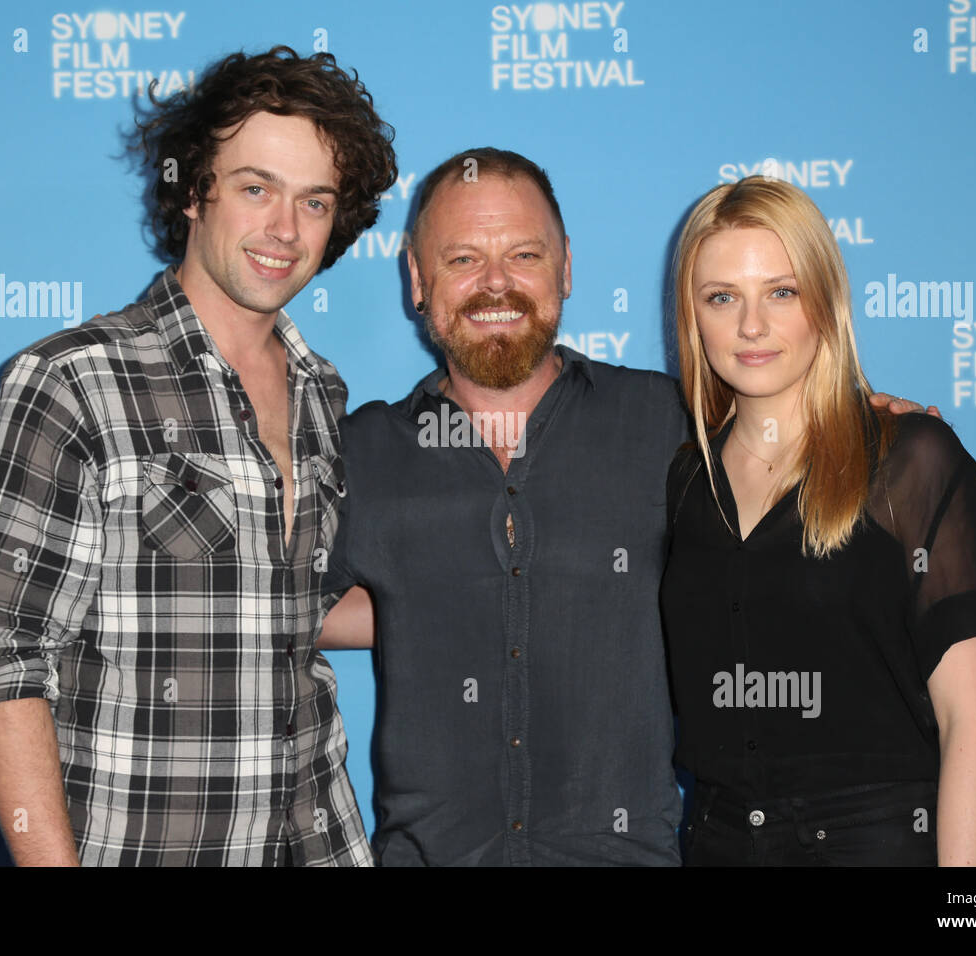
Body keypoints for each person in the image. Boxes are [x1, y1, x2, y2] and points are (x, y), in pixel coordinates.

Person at [317, 149, 930, 866]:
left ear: (567, 268)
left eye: (523, 253)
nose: (495, 284)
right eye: (461, 259)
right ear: (418, 280)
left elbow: (790, 512)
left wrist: (869, 422)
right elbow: (266, 607)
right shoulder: (357, 454)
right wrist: (421, 607)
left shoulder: (676, 426)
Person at [0, 46, 397, 866]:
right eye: (256, 188)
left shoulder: (324, 393)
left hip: (318, 842)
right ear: (194, 191)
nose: (284, 230)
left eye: (314, 202)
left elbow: (293, 610)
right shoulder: (75, 380)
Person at [661, 176, 976, 866]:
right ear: (692, 316)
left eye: (781, 292)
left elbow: (974, 724)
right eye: (722, 297)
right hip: (715, 841)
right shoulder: (684, 481)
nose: (750, 325)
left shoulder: (912, 460)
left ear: (825, 300)